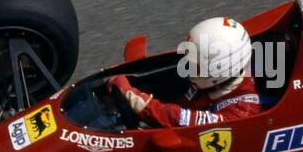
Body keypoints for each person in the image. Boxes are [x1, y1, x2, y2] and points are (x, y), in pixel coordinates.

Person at [108, 17, 261, 127]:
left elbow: (181, 119)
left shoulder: (242, 113)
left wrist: (135, 98)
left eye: (196, 64)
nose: (188, 67)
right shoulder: (215, 83)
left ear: (219, 69)